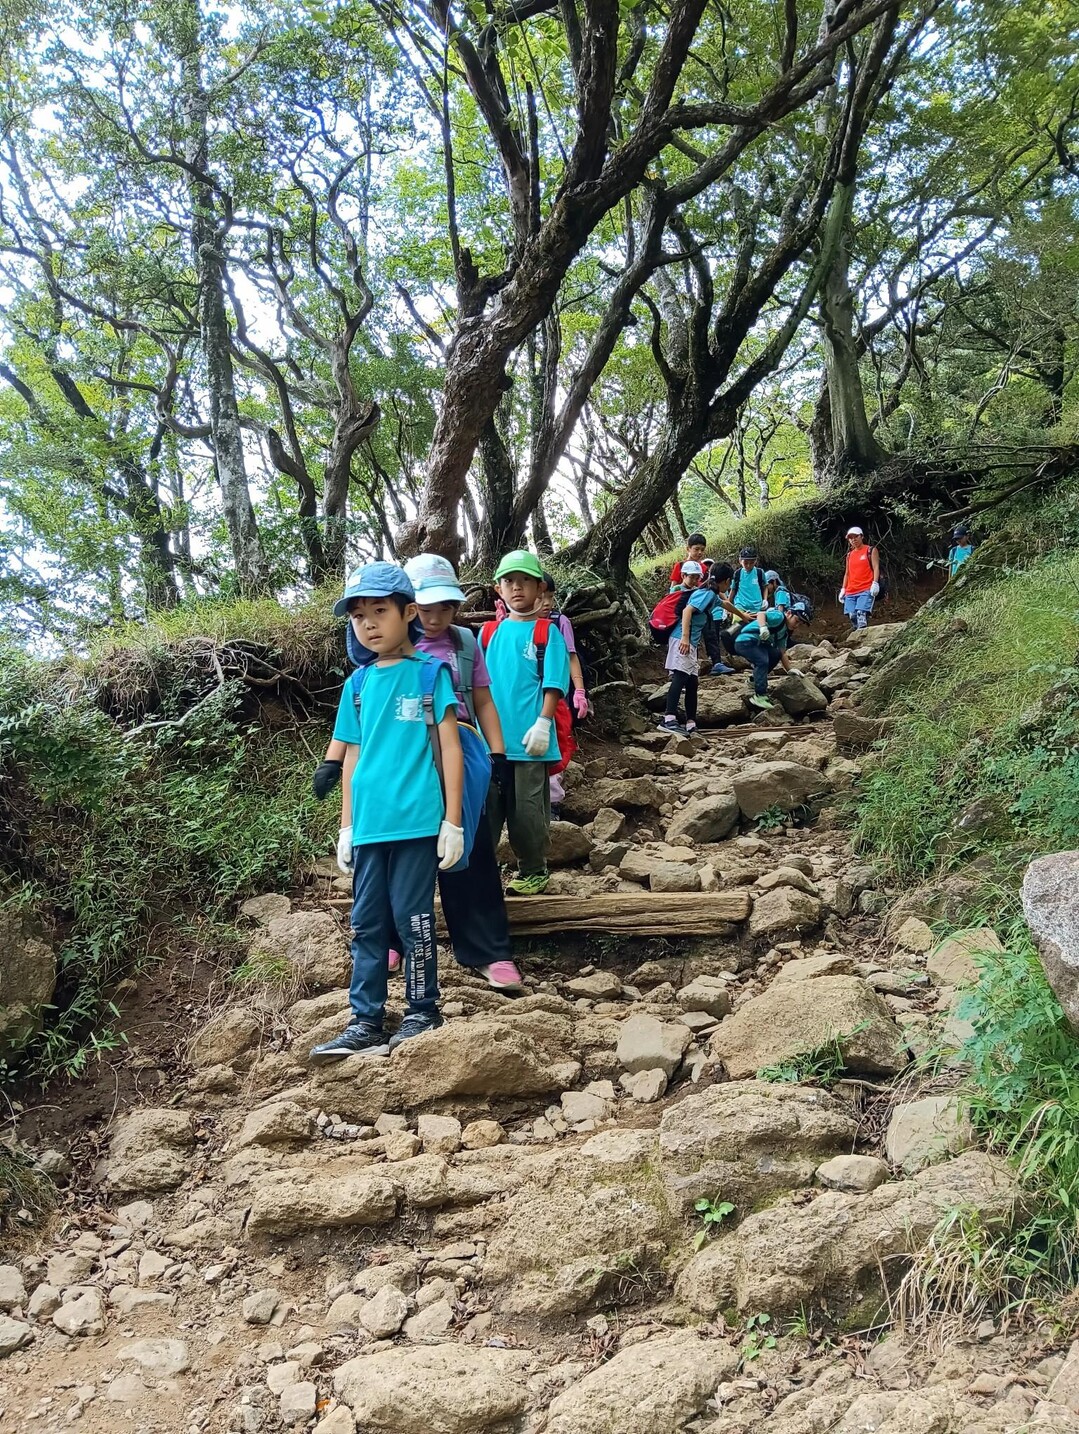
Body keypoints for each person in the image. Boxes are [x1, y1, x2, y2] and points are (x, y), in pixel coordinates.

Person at [310, 563, 463, 1063]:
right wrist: (346, 826)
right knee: (367, 922)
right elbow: (351, 758)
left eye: (380, 610)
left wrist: (453, 821)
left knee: (413, 918)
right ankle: (365, 1022)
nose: (369, 623)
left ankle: (423, 1010)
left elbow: (449, 749)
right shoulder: (357, 685)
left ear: (409, 613)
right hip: (370, 826)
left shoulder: (429, 675)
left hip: (417, 820)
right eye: (358, 616)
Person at [403, 553, 523, 992]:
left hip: (464, 753)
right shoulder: (390, 645)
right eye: (425, 608)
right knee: (403, 850)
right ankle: (393, 938)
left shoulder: (465, 643)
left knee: (469, 849)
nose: (435, 617)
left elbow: (483, 700)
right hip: (407, 757)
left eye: (445, 607)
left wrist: (498, 755)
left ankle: (488, 950)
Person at [480, 549, 570, 896]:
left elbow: (554, 682)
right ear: (498, 589)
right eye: (509, 581)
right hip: (490, 744)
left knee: (528, 813)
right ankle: (480, 876)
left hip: (531, 742)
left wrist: (544, 723)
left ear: (539, 588)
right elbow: (477, 688)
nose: (516, 588)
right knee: (487, 811)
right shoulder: (488, 634)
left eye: (525, 581)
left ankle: (533, 869)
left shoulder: (547, 632)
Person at [539, 573, 588, 819]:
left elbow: (571, 656)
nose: (547, 603)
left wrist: (579, 690)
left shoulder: (560, 622)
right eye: (541, 597)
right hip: (526, 699)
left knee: (556, 744)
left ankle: (553, 803)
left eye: (550, 596)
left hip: (556, 697)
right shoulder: (511, 624)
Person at [733, 595, 814, 711]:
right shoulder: (779, 616)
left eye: (800, 624)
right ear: (789, 613)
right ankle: (760, 695)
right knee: (762, 661)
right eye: (797, 621)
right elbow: (761, 614)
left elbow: (782, 652)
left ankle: (753, 680)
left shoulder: (784, 633)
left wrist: (790, 669)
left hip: (758, 644)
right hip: (745, 641)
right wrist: (763, 627)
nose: (796, 625)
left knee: (775, 654)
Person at [658, 560, 706, 734]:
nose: (694, 580)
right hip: (681, 640)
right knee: (679, 677)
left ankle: (690, 721)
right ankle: (668, 718)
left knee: (692, 682)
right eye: (691, 577)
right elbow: (684, 613)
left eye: (697, 577)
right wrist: (685, 637)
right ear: (683, 575)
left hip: (690, 642)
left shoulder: (697, 592)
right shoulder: (678, 591)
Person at [839, 526, 880, 630]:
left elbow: (876, 567)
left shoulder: (870, 550)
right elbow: (847, 573)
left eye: (856, 536)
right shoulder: (849, 555)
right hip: (850, 590)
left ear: (861, 536)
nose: (853, 539)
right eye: (850, 538)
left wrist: (875, 583)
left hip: (865, 588)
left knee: (861, 615)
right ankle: (857, 634)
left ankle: (862, 634)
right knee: (852, 615)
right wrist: (843, 589)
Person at [729, 546, 767, 613]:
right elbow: (733, 590)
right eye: (745, 563)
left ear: (755, 561)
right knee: (738, 619)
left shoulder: (760, 572)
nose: (748, 565)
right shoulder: (737, 573)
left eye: (752, 563)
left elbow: (765, 587)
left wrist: (765, 600)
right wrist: (728, 605)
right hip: (740, 606)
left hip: (757, 608)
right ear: (740, 561)